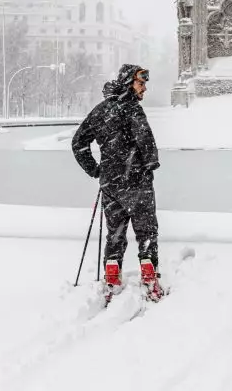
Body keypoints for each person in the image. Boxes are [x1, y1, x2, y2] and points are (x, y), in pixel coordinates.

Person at [71, 63, 162, 300]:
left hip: (111, 185)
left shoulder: (101, 110)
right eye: (140, 83)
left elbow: (78, 143)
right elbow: (147, 142)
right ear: (128, 83)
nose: (144, 89)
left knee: (115, 234)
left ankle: (112, 278)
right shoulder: (132, 109)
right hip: (138, 183)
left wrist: (97, 170)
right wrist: (150, 165)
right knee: (146, 233)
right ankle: (151, 281)